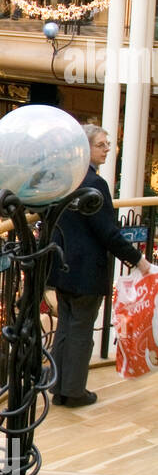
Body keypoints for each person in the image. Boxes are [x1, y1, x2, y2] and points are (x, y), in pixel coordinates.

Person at [49, 125, 155, 406]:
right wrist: (138, 260)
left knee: (66, 327)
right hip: (85, 271)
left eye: (109, 144)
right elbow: (108, 232)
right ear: (85, 148)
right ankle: (73, 392)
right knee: (81, 329)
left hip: (62, 265)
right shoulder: (95, 185)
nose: (108, 148)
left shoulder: (66, 178)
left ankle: (59, 388)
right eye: (101, 144)